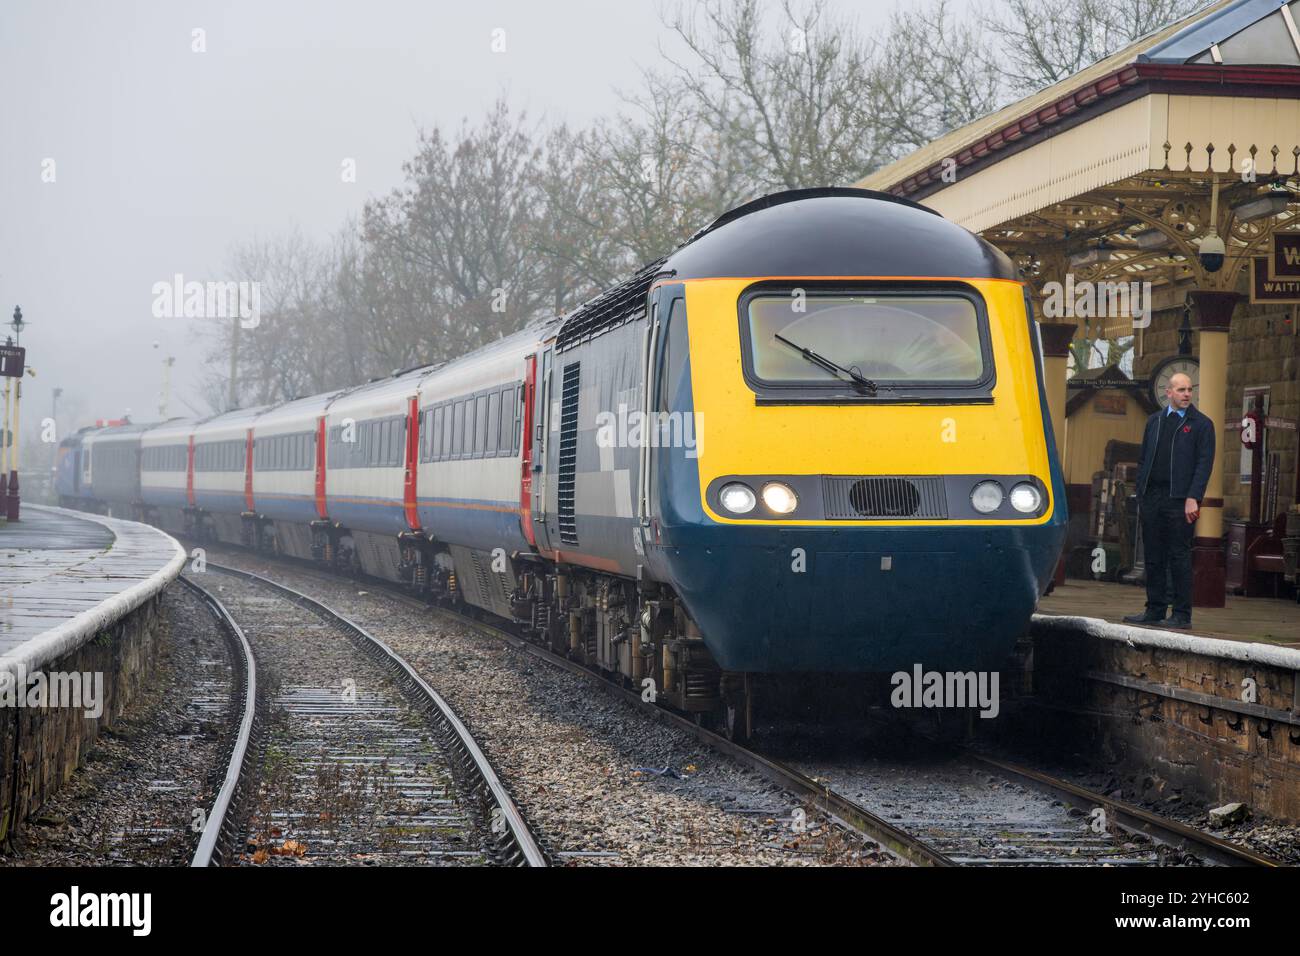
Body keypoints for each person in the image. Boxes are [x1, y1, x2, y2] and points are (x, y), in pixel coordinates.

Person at [1124, 372, 1214, 629]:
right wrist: (1141, 491)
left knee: (1179, 556)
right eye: (1182, 390)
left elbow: (1203, 465)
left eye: (1189, 390)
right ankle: (1154, 609)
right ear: (1169, 393)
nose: (1187, 394)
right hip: (1152, 497)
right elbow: (1143, 459)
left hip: (1180, 499)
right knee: (1153, 555)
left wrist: (1193, 497)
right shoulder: (1154, 422)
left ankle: (1182, 614)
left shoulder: (1202, 425)